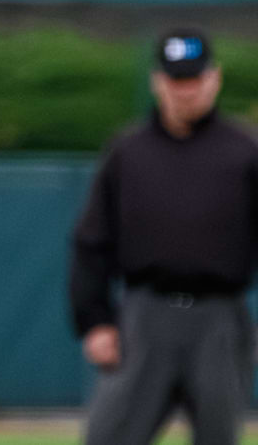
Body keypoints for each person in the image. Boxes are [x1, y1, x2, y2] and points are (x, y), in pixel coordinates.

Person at [69, 28, 258, 445]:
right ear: (158, 81)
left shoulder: (245, 151)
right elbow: (92, 242)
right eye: (176, 80)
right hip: (145, 317)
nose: (185, 91)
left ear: (214, 79)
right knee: (107, 436)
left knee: (219, 436)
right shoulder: (128, 151)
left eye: (194, 79)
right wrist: (95, 319)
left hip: (219, 320)